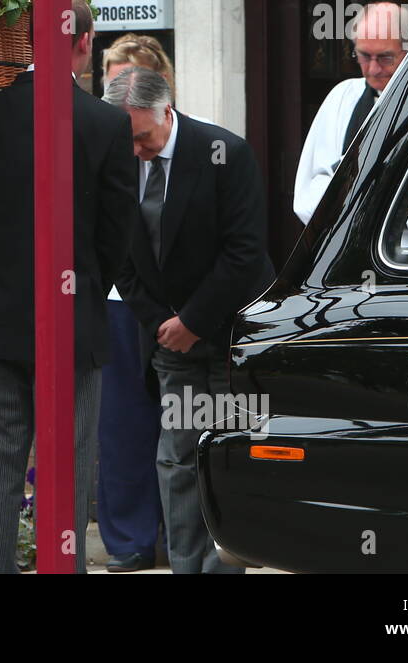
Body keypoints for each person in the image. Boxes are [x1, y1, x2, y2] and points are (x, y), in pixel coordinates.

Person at [0, 0, 138, 574]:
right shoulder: (106, 123)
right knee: (70, 466)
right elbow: (117, 232)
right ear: (84, 44)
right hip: (71, 316)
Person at [109, 66, 273, 574]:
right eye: (128, 139)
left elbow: (244, 252)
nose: (137, 150)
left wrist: (193, 321)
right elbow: (116, 253)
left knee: (228, 453)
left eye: (143, 137)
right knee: (176, 457)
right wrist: (163, 324)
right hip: (168, 340)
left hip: (230, 335)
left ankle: (229, 564)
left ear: (167, 111)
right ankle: (187, 566)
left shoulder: (225, 153)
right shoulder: (117, 161)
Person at [96, 35, 176, 573]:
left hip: (175, 310)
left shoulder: (179, 142)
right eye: (108, 77)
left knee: (178, 424)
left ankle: (179, 533)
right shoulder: (102, 139)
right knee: (122, 426)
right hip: (119, 301)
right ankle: (128, 540)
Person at [294, 1, 404, 225]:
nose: (373, 69)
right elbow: (314, 183)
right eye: (364, 56)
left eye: (384, 57)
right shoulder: (342, 97)